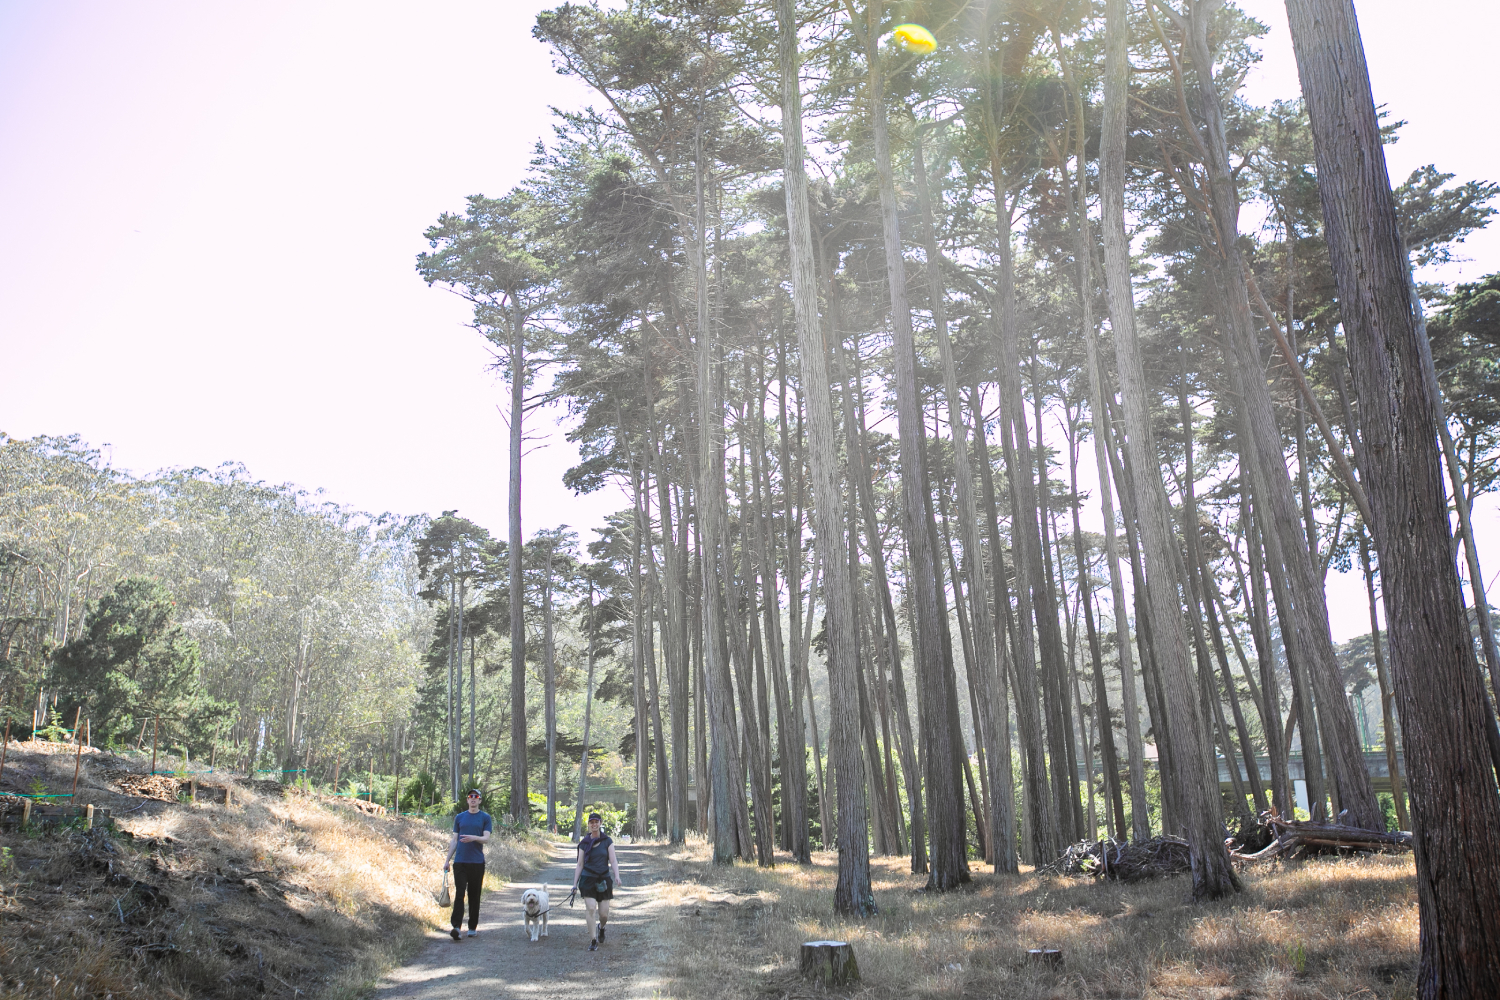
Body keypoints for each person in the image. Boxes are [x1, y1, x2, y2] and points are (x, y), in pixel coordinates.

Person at [443, 789, 492, 940]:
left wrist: (473, 838)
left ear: (479, 800)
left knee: (474, 895)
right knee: (459, 893)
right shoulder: (459, 817)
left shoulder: (485, 817)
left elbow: (486, 838)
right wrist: (447, 860)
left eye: (476, 797)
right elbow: (454, 840)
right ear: (467, 800)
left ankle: (472, 927)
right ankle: (456, 927)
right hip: (460, 862)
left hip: (477, 862)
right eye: (470, 797)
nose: (473, 799)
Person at [571, 812, 622, 951]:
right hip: (588, 878)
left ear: (600, 823)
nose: (594, 824)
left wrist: (617, 876)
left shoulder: (607, 841)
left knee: (604, 914)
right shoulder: (584, 843)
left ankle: (602, 927)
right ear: (588, 824)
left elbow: (613, 860)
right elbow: (580, 864)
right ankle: (593, 940)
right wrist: (574, 884)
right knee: (591, 908)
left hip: (603, 879)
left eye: (596, 822)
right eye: (591, 822)